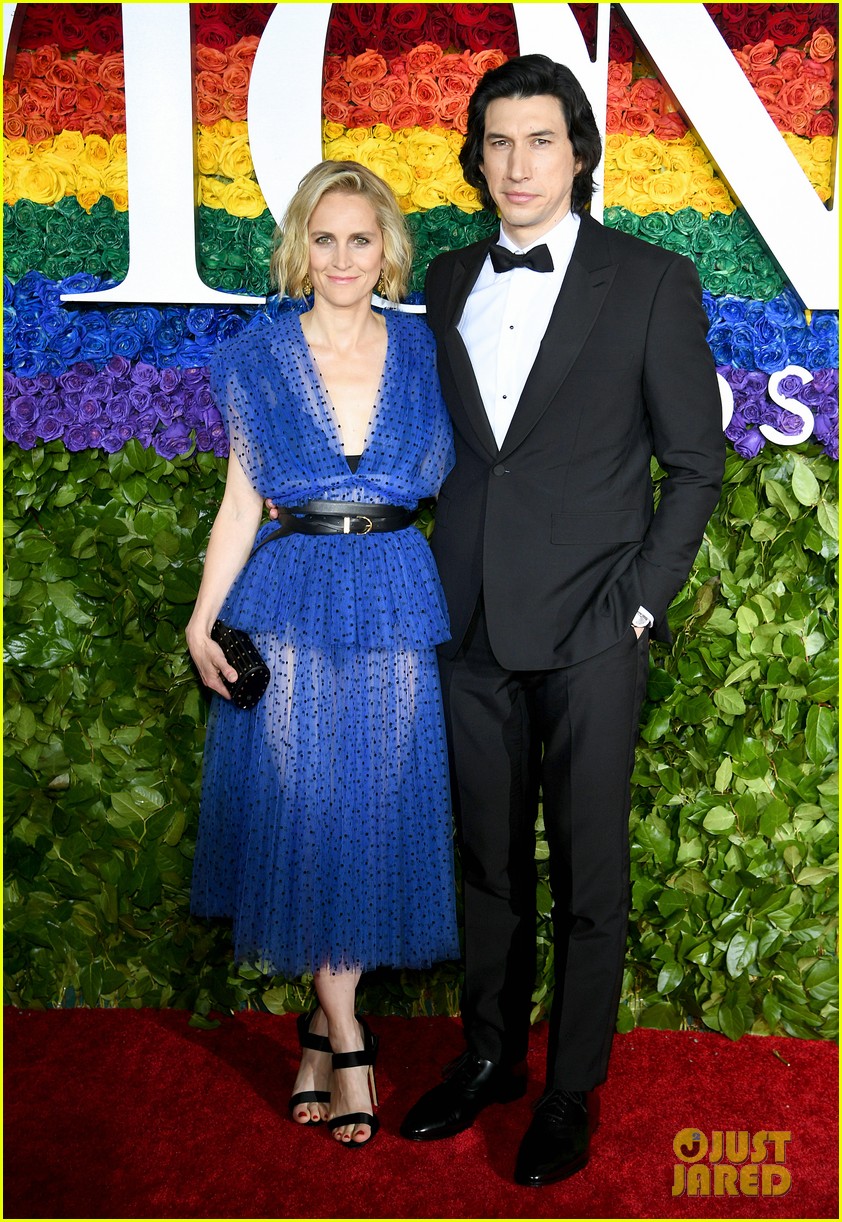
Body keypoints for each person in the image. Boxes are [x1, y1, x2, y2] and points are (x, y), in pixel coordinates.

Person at [399, 55, 725, 1186]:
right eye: (496, 142)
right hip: (466, 621)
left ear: (576, 152)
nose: (515, 163)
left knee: (590, 876)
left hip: (592, 627)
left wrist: (636, 605)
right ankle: (488, 1055)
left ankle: (570, 1090)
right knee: (485, 862)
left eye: (538, 140)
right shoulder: (443, 280)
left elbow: (692, 466)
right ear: (475, 159)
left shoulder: (647, 280)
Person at [187, 161, 459, 1149]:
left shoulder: (428, 353)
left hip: (391, 591)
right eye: (324, 237)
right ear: (299, 247)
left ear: (386, 250)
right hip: (288, 594)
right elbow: (236, 502)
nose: (342, 258)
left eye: (360, 238)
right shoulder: (256, 357)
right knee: (305, 812)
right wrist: (199, 616)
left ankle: (315, 1028)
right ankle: (350, 1038)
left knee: (368, 810)